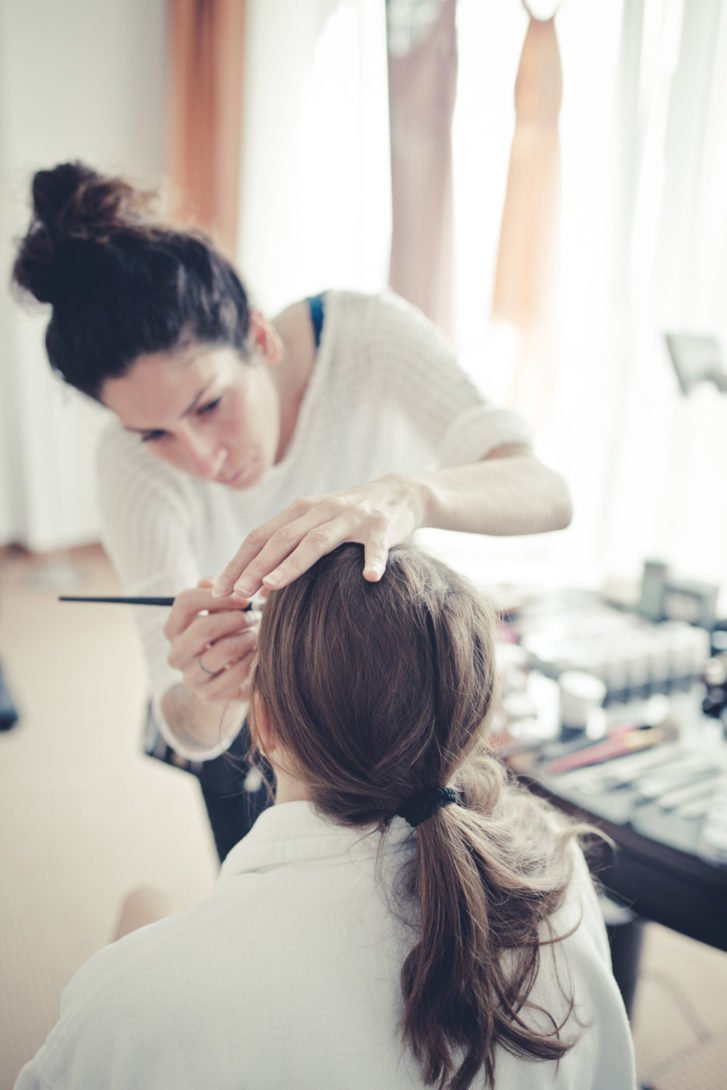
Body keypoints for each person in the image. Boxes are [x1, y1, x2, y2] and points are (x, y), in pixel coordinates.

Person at [12, 161, 573, 860]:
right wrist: (211, 689)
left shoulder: (367, 337)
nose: (203, 458)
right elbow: (184, 724)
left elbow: (546, 492)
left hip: (391, 675)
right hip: (256, 726)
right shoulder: (129, 468)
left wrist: (405, 496)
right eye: (155, 434)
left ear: (259, 337)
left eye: (209, 406)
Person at [14, 543, 636, 1090]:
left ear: (263, 725)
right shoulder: (557, 874)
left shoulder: (136, 1003)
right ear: (474, 718)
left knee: (142, 905)